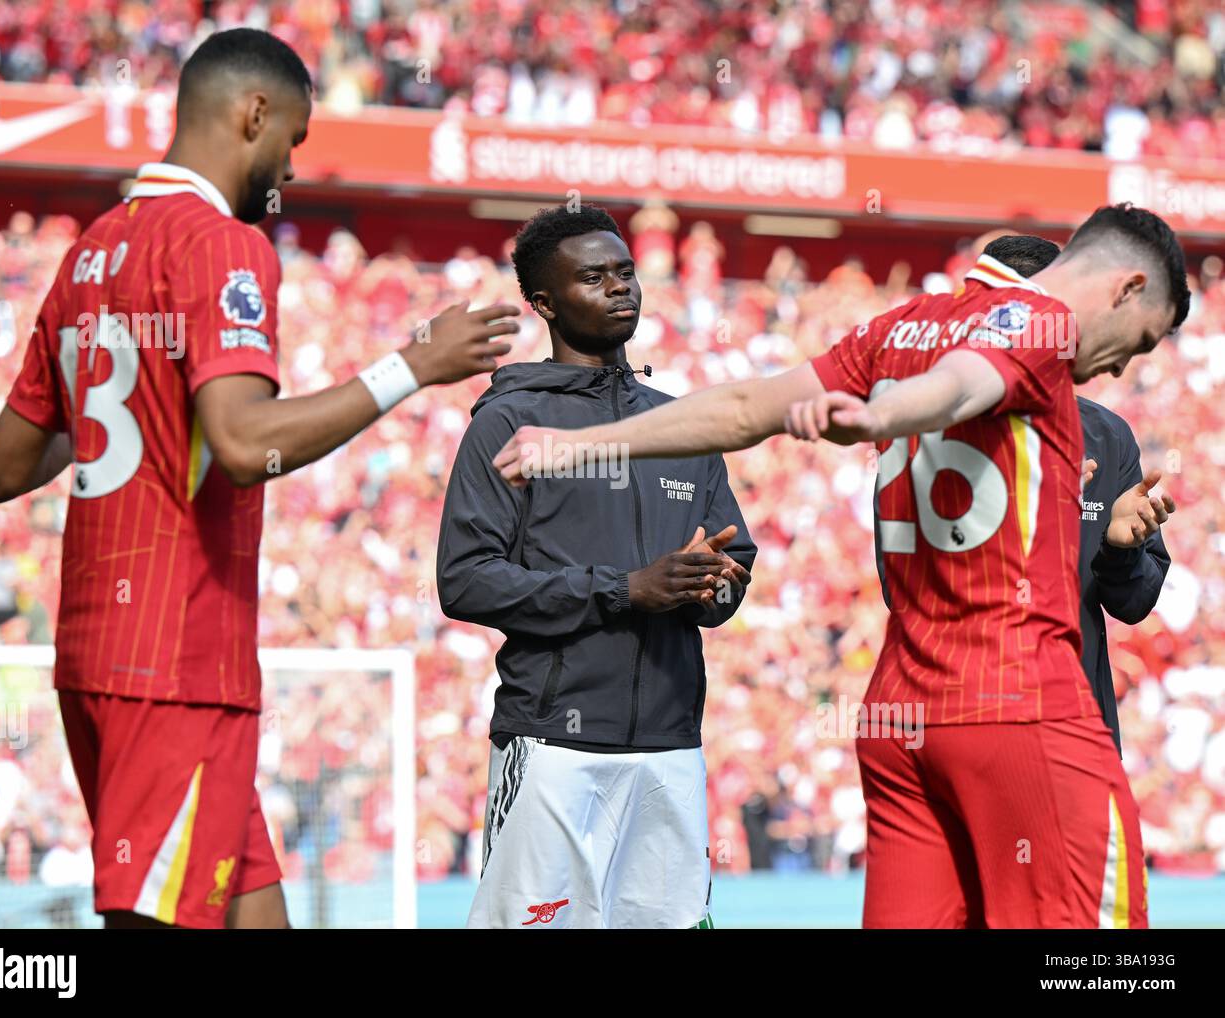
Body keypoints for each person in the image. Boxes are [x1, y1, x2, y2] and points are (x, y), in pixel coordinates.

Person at [493, 203, 1189, 928]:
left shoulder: (902, 325)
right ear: (1127, 288)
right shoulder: (1043, 325)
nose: (1121, 366)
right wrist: (889, 416)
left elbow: (743, 406)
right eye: (1138, 342)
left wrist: (579, 446)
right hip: (1020, 702)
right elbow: (965, 383)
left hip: (904, 719)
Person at [0, 28, 519, 930]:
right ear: (254, 113)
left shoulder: (91, 252)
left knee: (253, 917)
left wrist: (144, 396)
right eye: (294, 141)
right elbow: (240, 443)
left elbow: (0, 467)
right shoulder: (222, 246)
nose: (292, 169)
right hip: (177, 659)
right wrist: (409, 367)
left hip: (99, 655)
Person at [437, 205, 755, 929]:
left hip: (673, 748)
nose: (621, 289)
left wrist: (714, 586)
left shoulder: (683, 424)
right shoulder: (508, 422)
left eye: (625, 273)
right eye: (594, 277)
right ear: (543, 302)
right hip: (554, 748)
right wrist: (625, 590)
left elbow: (733, 555)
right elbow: (465, 578)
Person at [871, 234, 1172, 756]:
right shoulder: (925, 428)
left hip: (1074, 731)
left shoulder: (1107, 436)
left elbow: (1134, 603)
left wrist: (1120, 552)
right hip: (961, 728)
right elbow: (904, 593)